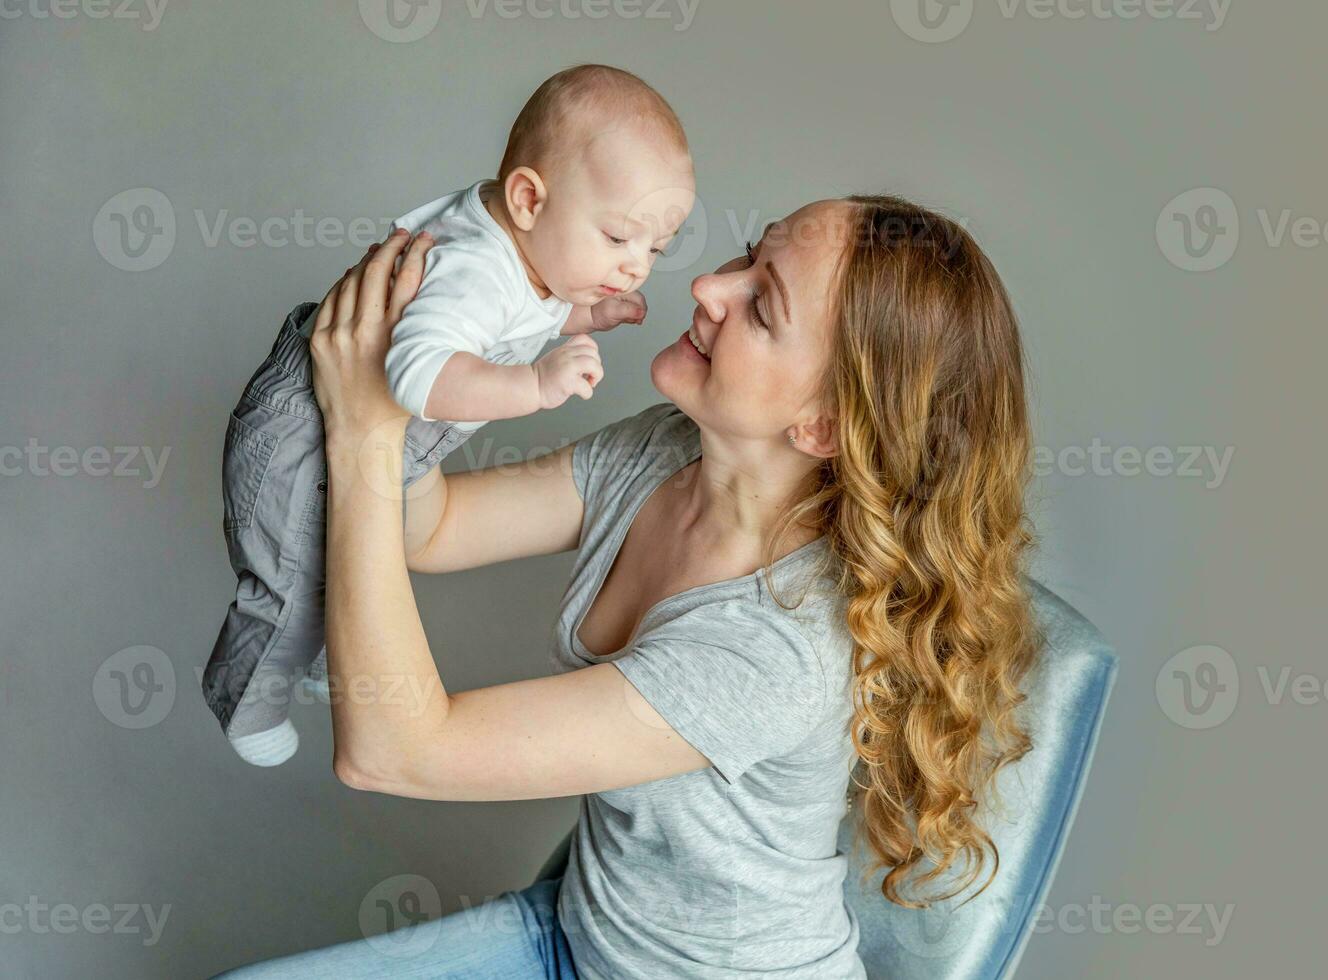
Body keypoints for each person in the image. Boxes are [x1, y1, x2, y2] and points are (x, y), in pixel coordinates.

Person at [211, 192, 1040, 979]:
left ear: (821, 425)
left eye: (760, 305)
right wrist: (424, 374)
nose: (710, 286)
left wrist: (365, 429)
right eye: (749, 255)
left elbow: (394, 752)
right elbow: (434, 527)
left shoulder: (775, 646)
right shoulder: (671, 450)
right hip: (576, 939)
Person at [202, 64, 694, 765]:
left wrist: (587, 311)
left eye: (654, 249)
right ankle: (242, 699)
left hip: (350, 431)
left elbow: (528, 308)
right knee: (288, 584)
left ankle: (309, 656)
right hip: (300, 437)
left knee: (340, 566)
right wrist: (533, 385)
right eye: (619, 238)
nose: (638, 265)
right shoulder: (476, 269)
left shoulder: (529, 250)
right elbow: (418, 375)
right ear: (527, 199)